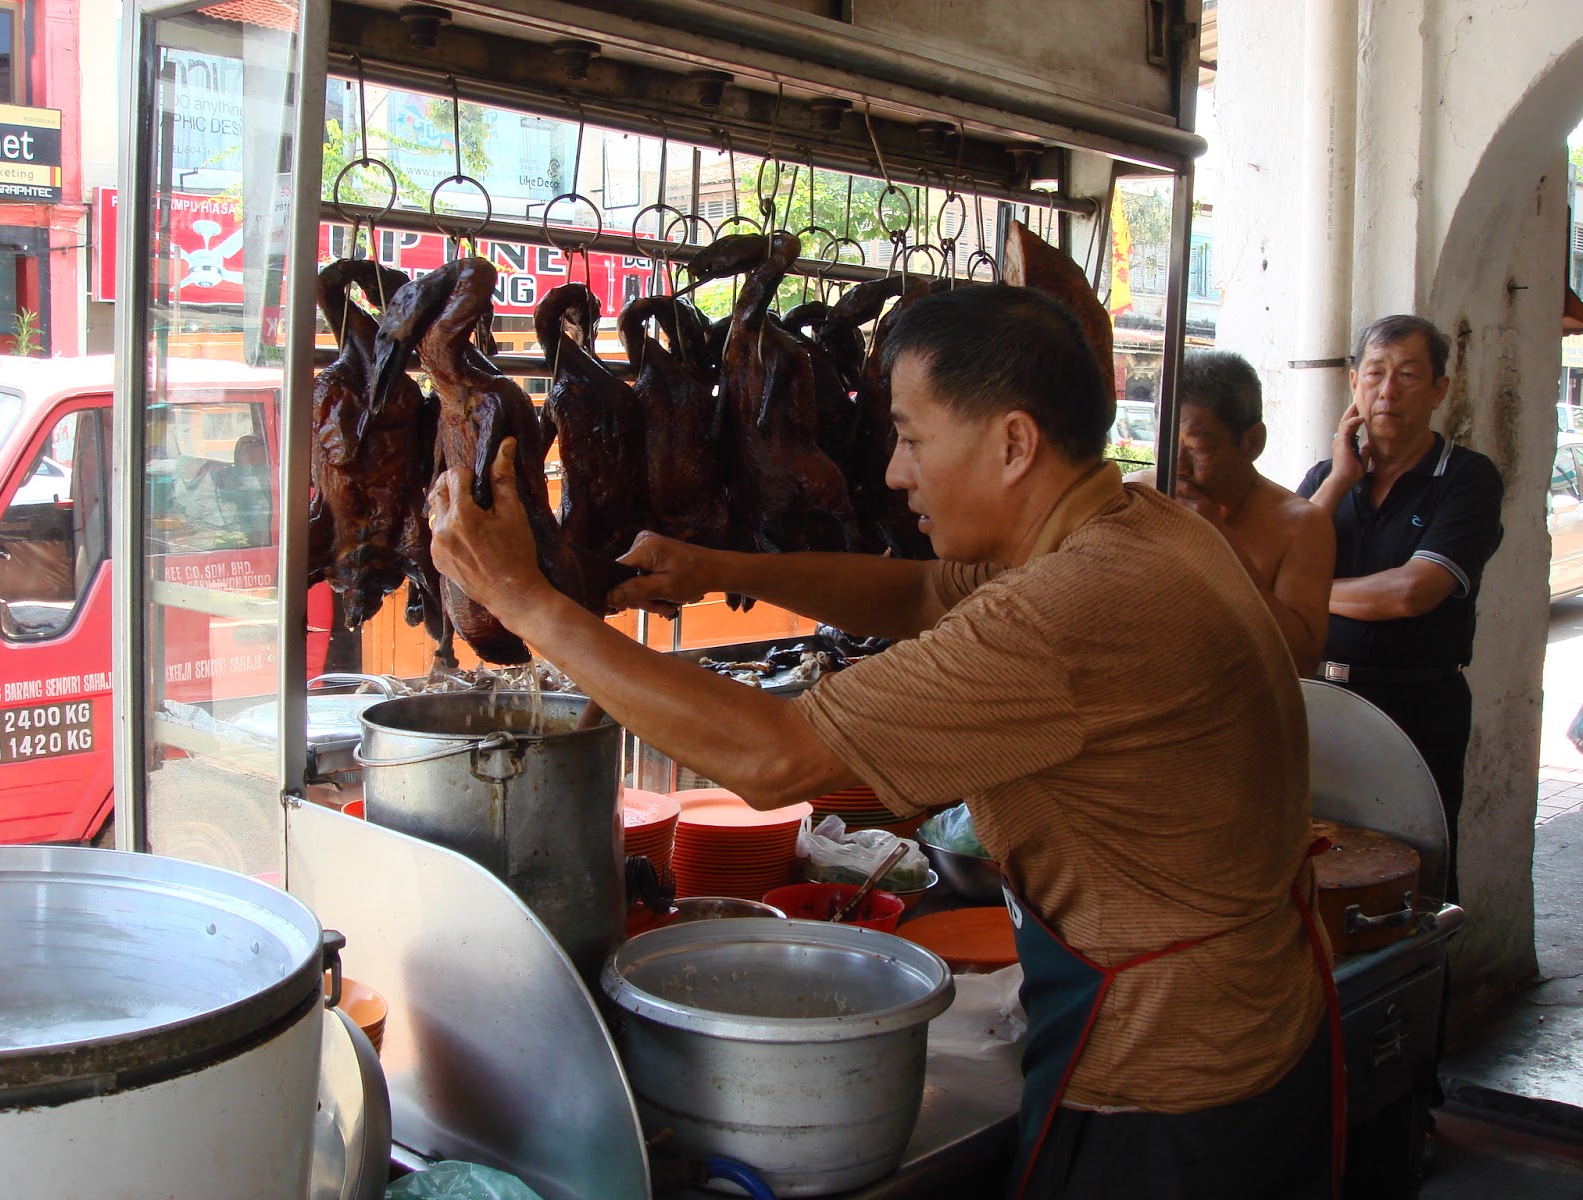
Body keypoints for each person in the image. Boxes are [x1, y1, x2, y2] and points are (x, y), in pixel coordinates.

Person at [428, 285, 1335, 1197]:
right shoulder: (1142, 524)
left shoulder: (1074, 607)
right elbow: (926, 595)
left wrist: (527, 604)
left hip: (1172, 1082)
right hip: (1250, 1021)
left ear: (1013, 443)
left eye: (912, 436)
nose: (896, 471)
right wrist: (718, 569)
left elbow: (774, 758)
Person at [1297, 315, 1504, 902]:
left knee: (1417, 876)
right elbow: (1272, 567)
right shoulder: (1326, 478)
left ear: (1440, 389)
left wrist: (1309, 590)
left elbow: (1413, 592)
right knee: (1317, 871)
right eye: (1375, 374)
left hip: (1418, 708)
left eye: (1409, 375)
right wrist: (1338, 478)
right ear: (1355, 383)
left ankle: (1425, 992)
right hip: (1324, 704)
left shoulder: (1466, 479)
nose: (1387, 391)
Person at [1133, 350, 1335, 675]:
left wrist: (1222, 547)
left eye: (1197, 448)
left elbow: (1301, 660)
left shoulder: (1299, 525)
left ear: (1253, 443)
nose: (1177, 465)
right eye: (1165, 442)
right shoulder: (1134, 496)